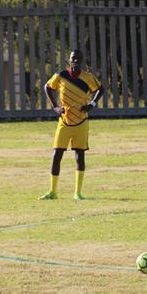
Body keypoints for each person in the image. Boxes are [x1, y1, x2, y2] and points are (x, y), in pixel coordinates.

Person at [39, 50, 104, 200]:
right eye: (72, 58)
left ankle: (77, 193)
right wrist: (55, 106)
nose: (75, 60)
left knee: (79, 156)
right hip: (64, 121)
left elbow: (101, 89)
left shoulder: (88, 77)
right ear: (69, 60)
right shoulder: (61, 75)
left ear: (81, 61)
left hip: (81, 122)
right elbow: (47, 87)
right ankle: (53, 191)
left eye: (78, 58)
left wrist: (92, 104)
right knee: (56, 155)